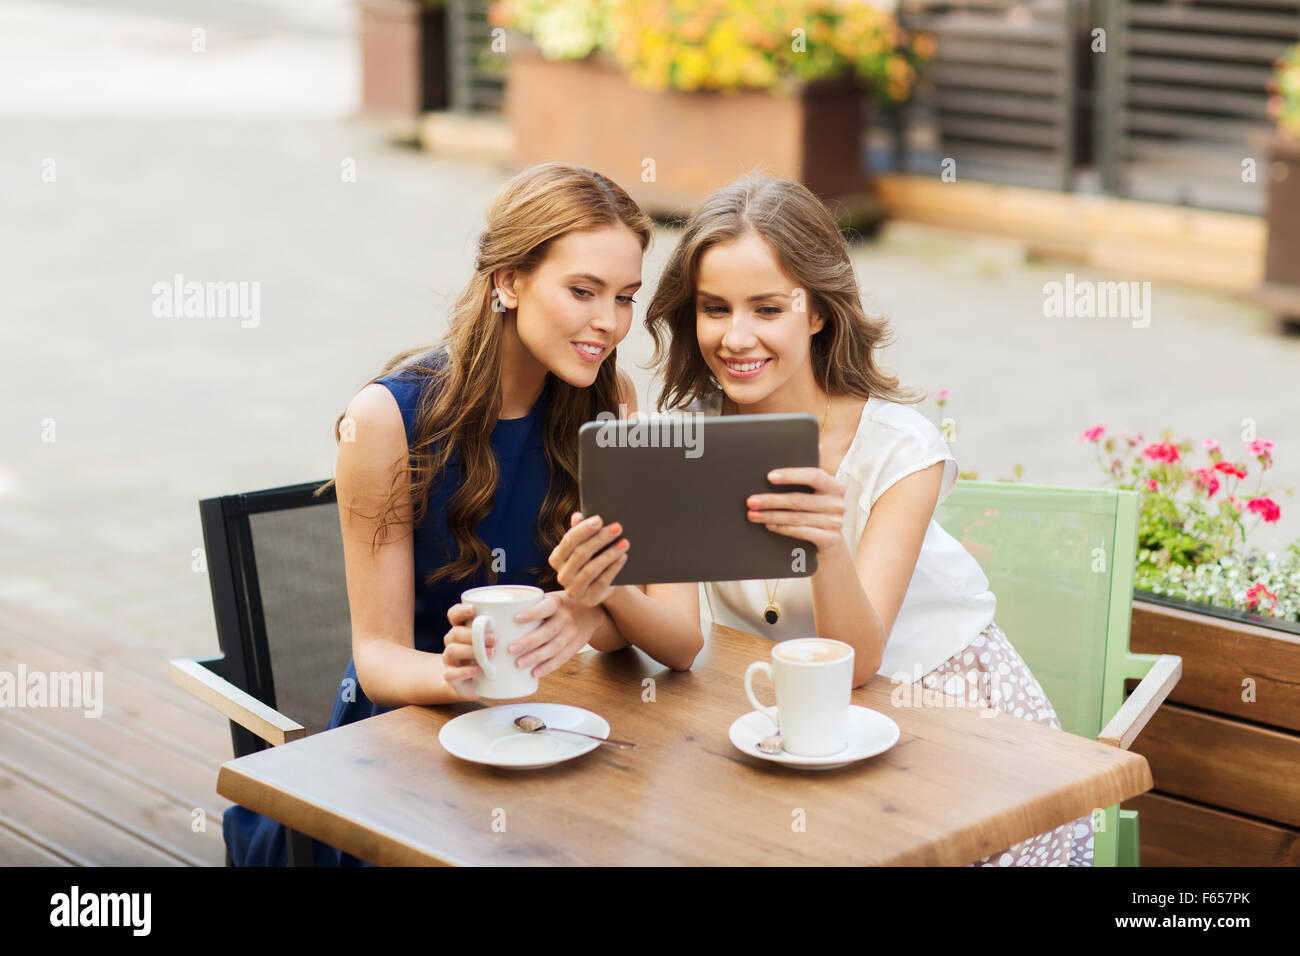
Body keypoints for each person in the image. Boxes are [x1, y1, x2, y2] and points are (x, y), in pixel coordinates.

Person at [223, 162, 704, 866]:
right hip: (404, 747)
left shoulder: (611, 400)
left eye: (625, 297)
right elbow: (378, 658)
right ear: (507, 281)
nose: (610, 323)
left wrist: (591, 611)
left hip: (546, 732)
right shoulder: (386, 419)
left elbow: (681, 645)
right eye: (583, 291)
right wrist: (462, 674)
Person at [642, 173, 1093, 867]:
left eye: (767, 309)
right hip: (786, 722)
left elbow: (860, 663)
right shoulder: (683, 447)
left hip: (945, 710)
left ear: (818, 312)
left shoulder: (898, 449)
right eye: (714, 308)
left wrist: (827, 543)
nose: (736, 337)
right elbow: (677, 641)